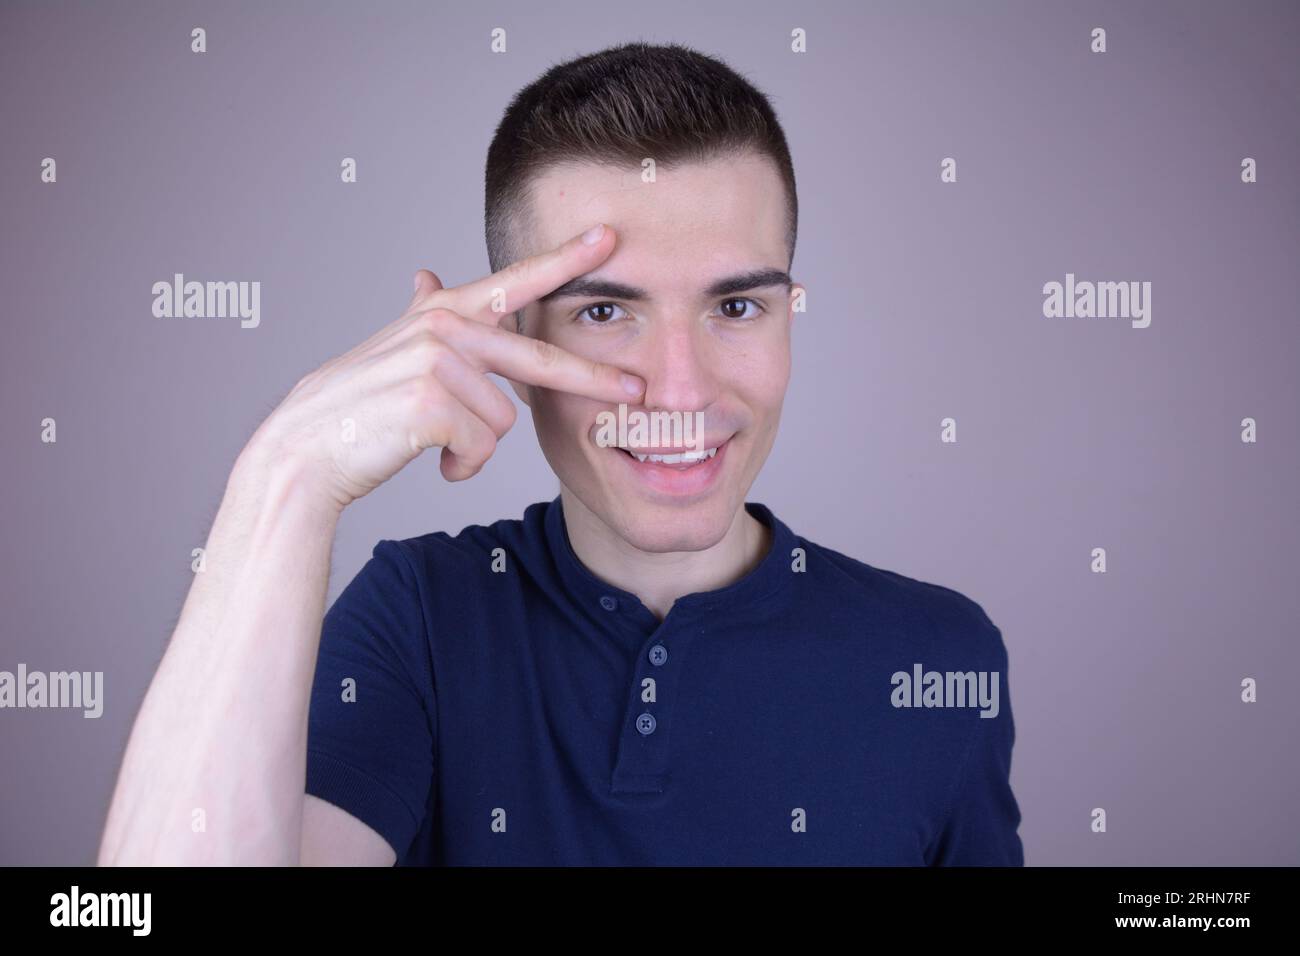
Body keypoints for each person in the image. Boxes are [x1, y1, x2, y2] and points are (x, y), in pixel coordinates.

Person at [98, 41, 1023, 866]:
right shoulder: (418, 620)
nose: (681, 389)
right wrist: (288, 474)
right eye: (605, 311)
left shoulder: (938, 654)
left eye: (736, 307)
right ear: (505, 339)